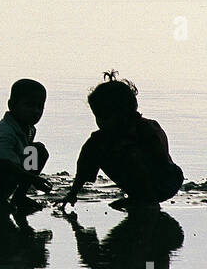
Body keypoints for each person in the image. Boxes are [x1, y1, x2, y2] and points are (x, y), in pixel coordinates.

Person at [59, 71, 182, 212]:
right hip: (140, 181)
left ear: (125, 113)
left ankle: (147, 201)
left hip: (167, 181)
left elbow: (159, 162)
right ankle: (138, 197)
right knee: (95, 147)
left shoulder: (147, 129)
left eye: (106, 117)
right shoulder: (101, 138)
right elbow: (85, 163)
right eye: (98, 117)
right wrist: (73, 193)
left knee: (130, 154)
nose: (100, 122)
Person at [0, 79, 53, 218]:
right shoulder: (6, 131)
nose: (35, 111)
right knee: (2, 167)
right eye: (29, 105)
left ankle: (19, 196)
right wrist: (33, 179)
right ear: (12, 105)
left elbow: (25, 156)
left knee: (38, 150)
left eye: (39, 107)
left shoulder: (29, 129)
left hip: (11, 169)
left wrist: (30, 176)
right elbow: (3, 163)